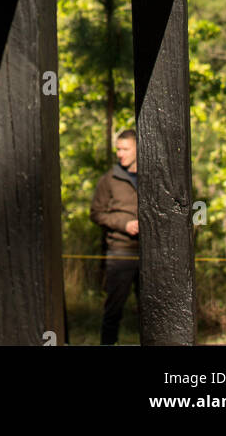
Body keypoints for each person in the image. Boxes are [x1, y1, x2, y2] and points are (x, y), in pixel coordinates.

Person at [90, 129, 139, 346]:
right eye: (118, 149)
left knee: (153, 309)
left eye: (125, 149)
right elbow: (96, 213)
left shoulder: (153, 174)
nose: (120, 154)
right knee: (113, 309)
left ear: (138, 149)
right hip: (121, 251)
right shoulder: (109, 179)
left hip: (151, 252)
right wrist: (124, 225)